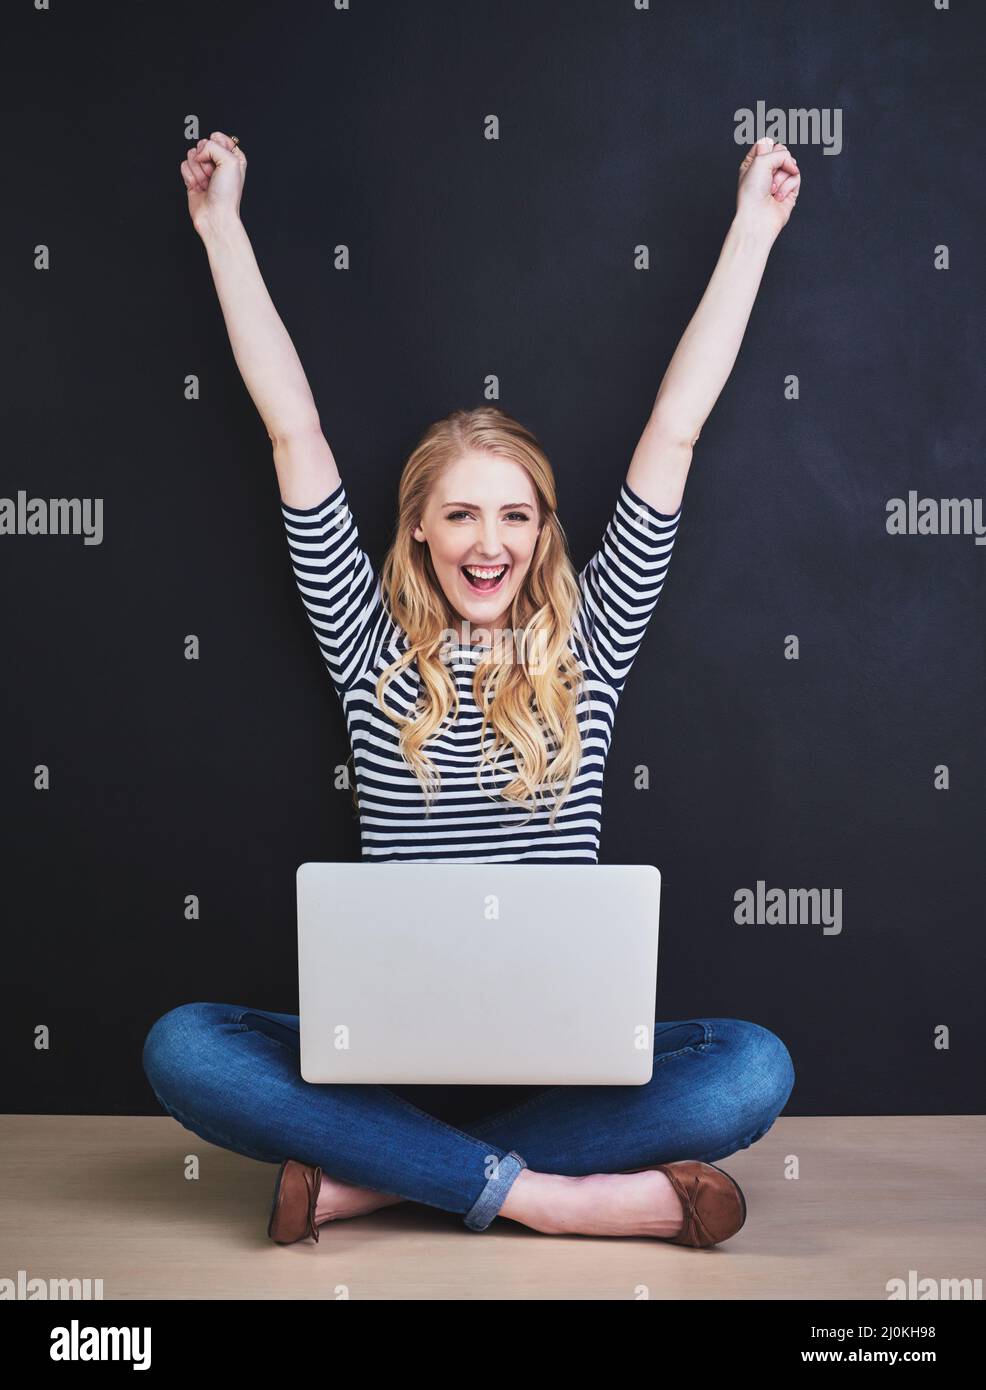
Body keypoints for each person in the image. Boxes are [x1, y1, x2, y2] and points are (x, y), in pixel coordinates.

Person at [143, 130, 801, 1248]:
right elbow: (291, 427)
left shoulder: (587, 639)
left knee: (750, 1068)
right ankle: (551, 1198)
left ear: (544, 530)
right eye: (458, 512)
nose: (485, 541)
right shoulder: (366, 641)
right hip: (384, 1065)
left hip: (559, 1073)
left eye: (512, 513)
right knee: (184, 1044)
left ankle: (389, 1179)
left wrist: (752, 228)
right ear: (417, 526)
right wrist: (222, 229)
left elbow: (673, 429)